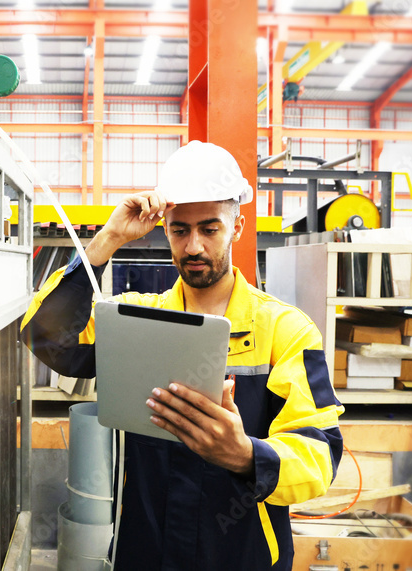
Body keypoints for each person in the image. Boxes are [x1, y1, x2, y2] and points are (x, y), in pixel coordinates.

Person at [20, 141, 344, 570]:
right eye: (179, 230)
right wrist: (109, 237)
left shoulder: (285, 331)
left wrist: (245, 454)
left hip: (242, 557)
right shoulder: (137, 321)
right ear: (165, 228)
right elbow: (45, 334)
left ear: (238, 227)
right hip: (147, 554)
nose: (193, 247)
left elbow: (319, 455)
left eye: (210, 229)